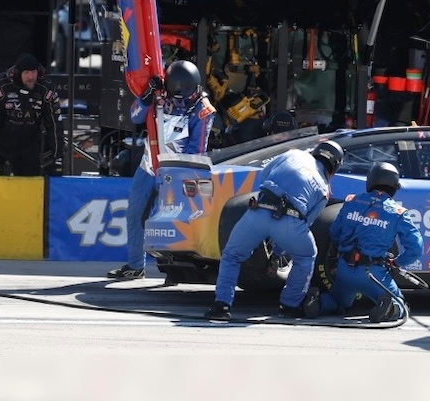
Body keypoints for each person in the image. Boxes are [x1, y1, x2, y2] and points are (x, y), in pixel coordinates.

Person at [206, 140, 344, 321]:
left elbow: (264, 175)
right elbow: (306, 223)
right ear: (334, 166)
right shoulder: (324, 189)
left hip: (258, 211)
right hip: (290, 220)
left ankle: (221, 306)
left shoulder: (293, 154)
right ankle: (289, 306)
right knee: (306, 256)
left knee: (231, 255)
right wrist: (277, 255)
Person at [107, 61, 216, 281]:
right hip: (148, 165)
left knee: (170, 221)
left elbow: (197, 150)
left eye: (184, 98)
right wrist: (147, 96)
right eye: (175, 97)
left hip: (176, 173)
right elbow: (135, 116)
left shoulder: (204, 110)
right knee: (134, 213)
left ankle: (175, 270)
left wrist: (178, 176)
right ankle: (135, 266)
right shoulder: (159, 94)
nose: (179, 102)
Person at [318, 162, 424, 323]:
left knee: (338, 301)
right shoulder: (398, 212)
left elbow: (334, 232)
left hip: (344, 269)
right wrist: (396, 262)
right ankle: (390, 308)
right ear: (394, 187)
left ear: (370, 181)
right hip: (373, 274)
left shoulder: (351, 201)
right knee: (401, 306)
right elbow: (416, 248)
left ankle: (317, 302)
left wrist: (344, 248)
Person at [0, 53, 60, 177]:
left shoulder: (46, 89)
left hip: (30, 147)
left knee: (30, 181)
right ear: (18, 73)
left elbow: (55, 125)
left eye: (33, 72)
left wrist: (58, 156)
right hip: (1, 144)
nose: (31, 77)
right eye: (26, 73)